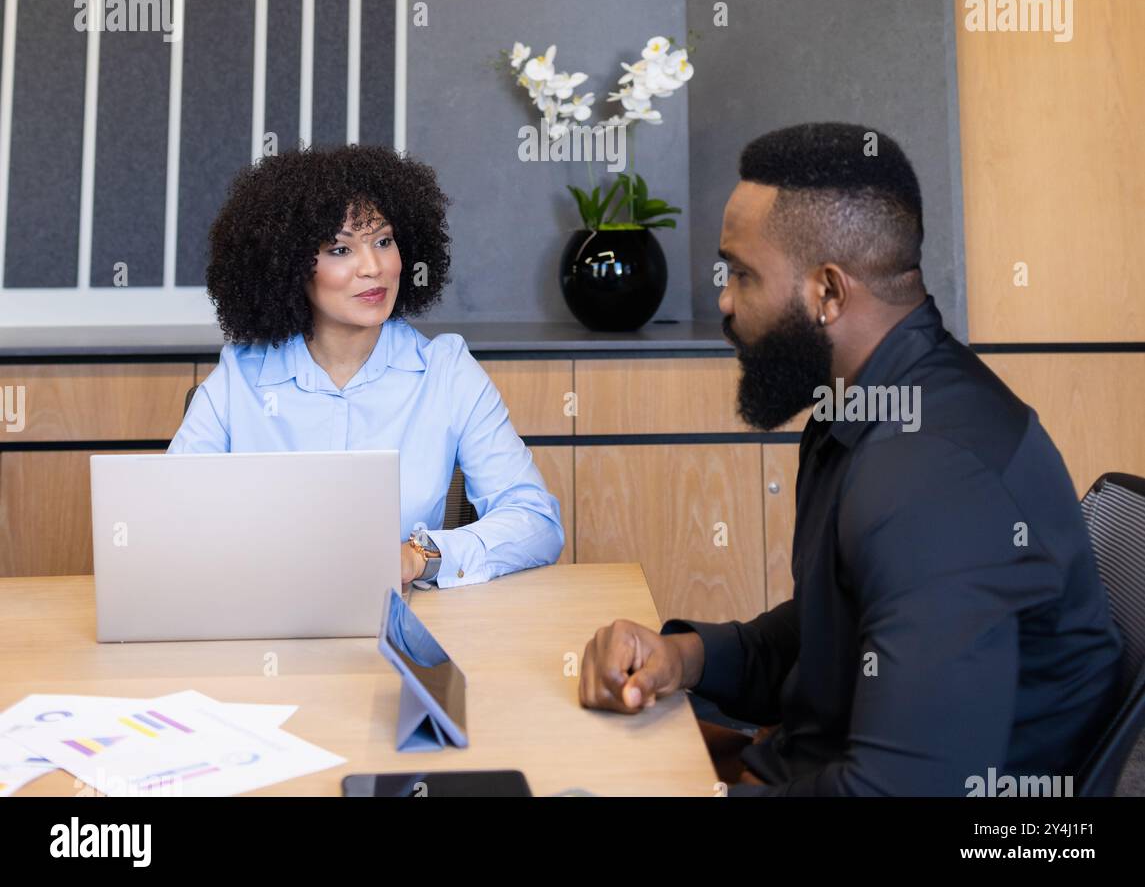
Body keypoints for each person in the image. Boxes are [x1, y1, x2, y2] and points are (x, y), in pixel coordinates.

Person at [579, 122, 1121, 795]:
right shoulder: (861, 404)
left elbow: (897, 792)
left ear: (827, 294)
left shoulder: (933, 475)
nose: (722, 302)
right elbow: (831, 632)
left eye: (742, 276)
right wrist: (682, 657)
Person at [169, 143, 563, 588]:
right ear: (288, 265)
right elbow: (170, 523)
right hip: (262, 623)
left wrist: (419, 556)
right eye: (341, 250)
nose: (373, 267)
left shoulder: (446, 372)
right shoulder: (238, 379)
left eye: (383, 241)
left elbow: (536, 522)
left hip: (395, 625)